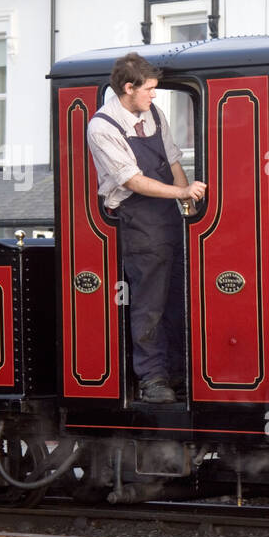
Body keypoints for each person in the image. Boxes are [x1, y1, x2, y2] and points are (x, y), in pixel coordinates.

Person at [87, 53, 206, 404]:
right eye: (150, 89)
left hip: (169, 216)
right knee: (149, 303)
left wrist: (189, 208)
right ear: (129, 88)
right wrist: (182, 192)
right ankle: (152, 379)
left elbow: (172, 162)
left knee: (178, 299)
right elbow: (134, 181)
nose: (154, 96)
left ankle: (180, 373)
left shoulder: (154, 114)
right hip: (137, 220)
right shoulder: (102, 126)